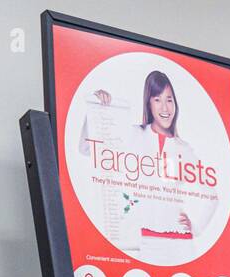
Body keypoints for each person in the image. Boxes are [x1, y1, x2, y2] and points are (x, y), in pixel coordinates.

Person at [81, 70, 219, 264]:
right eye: (157, 99)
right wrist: (96, 109)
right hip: (146, 243)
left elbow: (211, 196)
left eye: (169, 100)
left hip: (181, 246)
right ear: (148, 103)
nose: (165, 107)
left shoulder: (184, 149)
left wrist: (196, 227)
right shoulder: (134, 135)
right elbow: (87, 148)